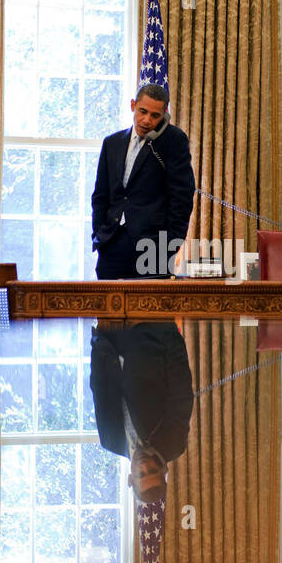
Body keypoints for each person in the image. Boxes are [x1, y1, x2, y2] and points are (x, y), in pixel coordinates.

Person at [90, 84, 195, 279]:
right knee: (107, 308)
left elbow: (182, 198)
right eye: (143, 111)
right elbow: (100, 195)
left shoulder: (173, 141)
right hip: (111, 245)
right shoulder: (111, 143)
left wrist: (169, 246)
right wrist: (99, 234)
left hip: (153, 250)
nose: (147, 120)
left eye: (155, 116)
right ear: (133, 105)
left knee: (150, 309)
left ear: (165, 116)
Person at [88, 320, 194, 502]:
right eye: (152, 471)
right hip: (149, 332)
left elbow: (98, 387)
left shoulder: (110, 441)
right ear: (164, 471)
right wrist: (168, 331)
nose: (144, 466)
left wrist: (98, 342)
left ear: (130, 479)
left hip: (109, 335)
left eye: (140, 475)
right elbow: (180, 384)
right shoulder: (173, 442)